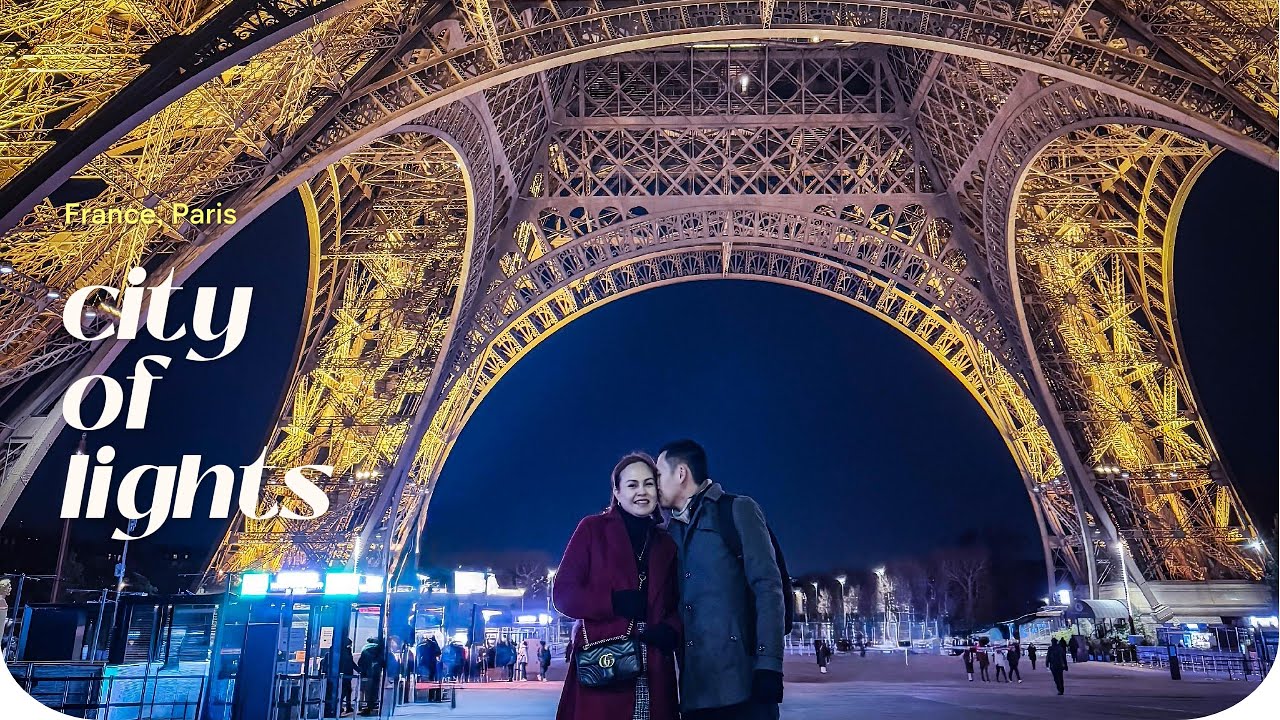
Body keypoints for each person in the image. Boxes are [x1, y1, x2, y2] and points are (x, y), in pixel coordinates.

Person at [657, 439, 785, 720]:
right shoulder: (668, 534)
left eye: (658, 475)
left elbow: (768, 587)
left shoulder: (737, 510)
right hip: (695, 692)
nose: (655, 485)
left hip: (744, 686)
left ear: (680, 474)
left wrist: (769, 664)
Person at [553, 452, 681, 720]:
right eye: (632, 485)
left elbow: (679, 603)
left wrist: (671, 629)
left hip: (654, 666)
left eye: (648, 483)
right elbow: (564, 595)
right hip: (606, 664)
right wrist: (613, 602)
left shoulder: (666, 542)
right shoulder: (592, 529)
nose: (641, 492)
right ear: (617, 492)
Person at [320, 637, 358, 716]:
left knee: (345, 691)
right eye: (349, 645)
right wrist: (359, 670)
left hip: (342, 676)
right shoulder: (344, 653)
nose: (350, 647)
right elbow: (351, 663)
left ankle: (342, 707)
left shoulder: (332, 652)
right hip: (344, 676)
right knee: (342, 692)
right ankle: (337, 709)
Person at [356, 637, 385, 716]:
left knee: (363, 690)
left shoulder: (365, 650)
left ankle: (361, 706)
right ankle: (371, 706)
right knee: (373, 691)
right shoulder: (380, 651)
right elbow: (383, 663)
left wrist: (362, 670)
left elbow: (360, 662)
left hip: (365, 674)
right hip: (376, 674)